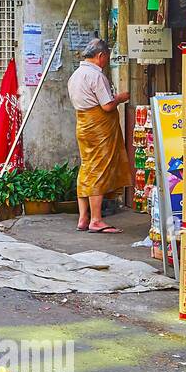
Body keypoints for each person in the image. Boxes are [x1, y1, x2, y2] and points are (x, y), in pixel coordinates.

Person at [69, 38, 131, 234]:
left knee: (87, 168)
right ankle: (96, 219)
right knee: (99, 169)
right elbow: (107, 105)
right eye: (107, 57)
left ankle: (83, 218)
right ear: (101, 56)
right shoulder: (96, 76)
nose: (106, 61)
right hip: (99, 129)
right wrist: (121, 98)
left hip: (83, 125)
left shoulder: (76, 75)